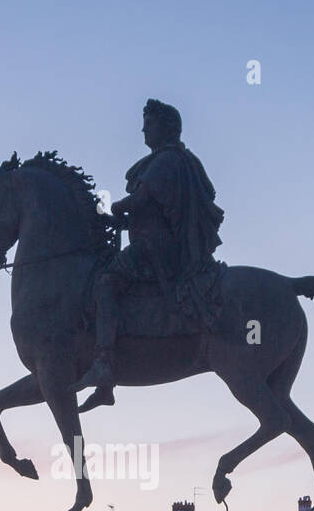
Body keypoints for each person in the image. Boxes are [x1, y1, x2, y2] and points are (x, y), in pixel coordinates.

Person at [76, 99, 224, 410]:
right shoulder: (172, 160)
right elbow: (153, 208)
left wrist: (114, 208)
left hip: (156, 249)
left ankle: (103, 363)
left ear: (167, 127)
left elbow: (141, 199)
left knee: (106, 283)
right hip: (155, 242)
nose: (143, 130)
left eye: (150, 123)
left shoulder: (168, 160)